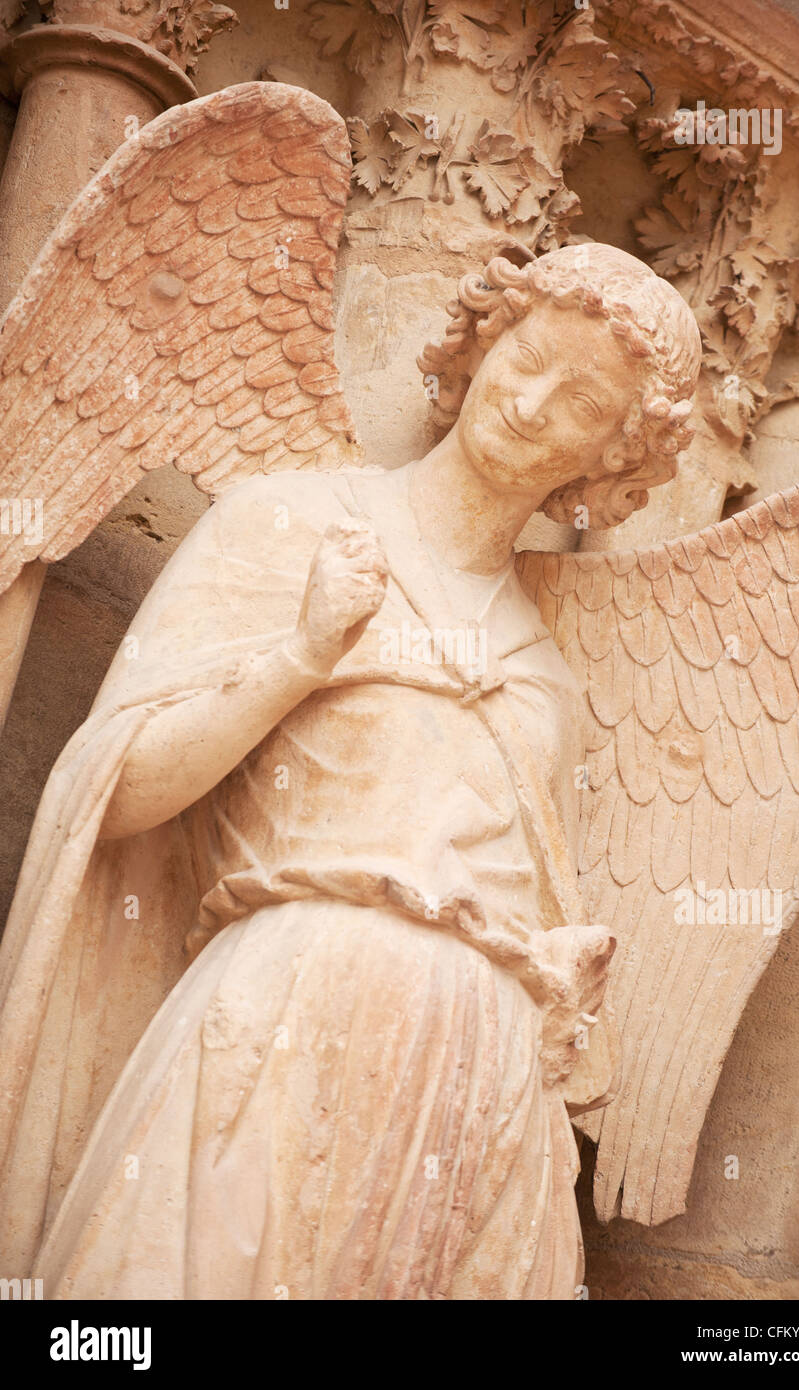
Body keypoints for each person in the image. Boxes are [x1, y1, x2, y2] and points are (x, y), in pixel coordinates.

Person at [0, 242, 701, 1299]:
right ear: (480, 342)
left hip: (479, 1084)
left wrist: (558, 976)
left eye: (581, 401)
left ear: (607, 462)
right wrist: (302, 654)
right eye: (525, 354)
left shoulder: (549, 684)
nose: (528, 401)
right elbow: (120, 790)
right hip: (282, 1019)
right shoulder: (289, 525)